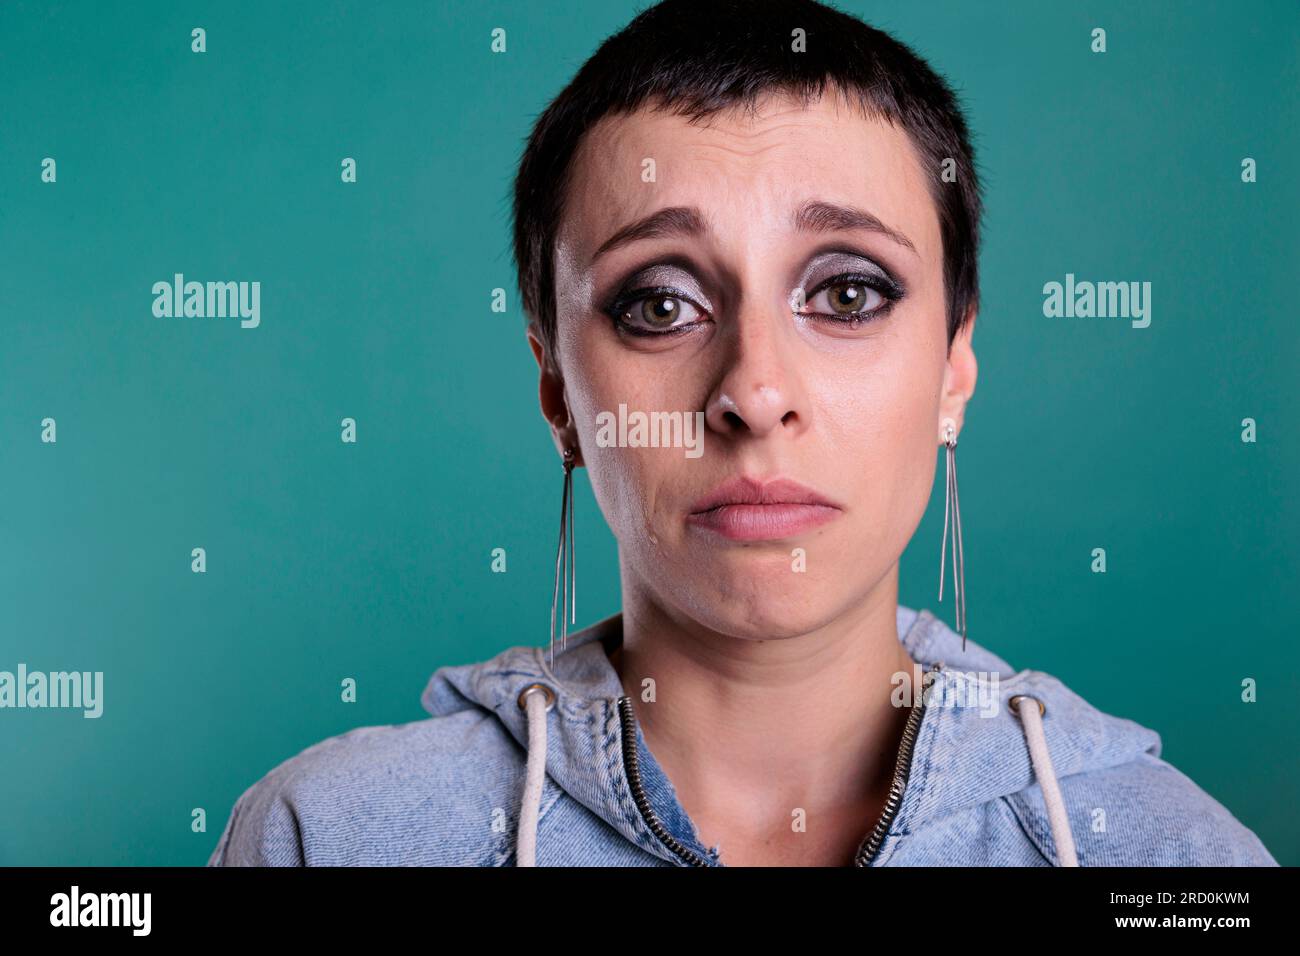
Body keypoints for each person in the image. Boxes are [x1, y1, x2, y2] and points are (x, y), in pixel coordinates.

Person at [208, 0, 1277, 867]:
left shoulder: (1173, 861)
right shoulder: (329, 838)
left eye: (848, 294)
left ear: (954, 366)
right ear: (558, 397)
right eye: (659, 303)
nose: (756, 392)